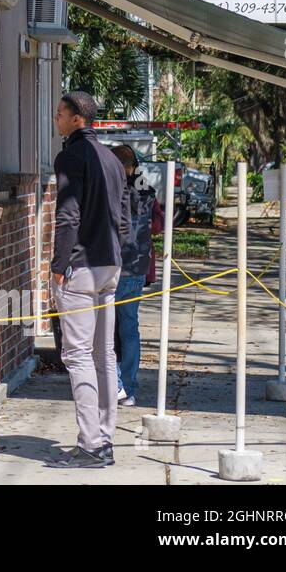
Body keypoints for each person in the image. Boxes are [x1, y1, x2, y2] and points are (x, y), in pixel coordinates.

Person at [45, 91, 130, 469]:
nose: (55, 118)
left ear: (78, 118)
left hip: (79, 266)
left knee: (78, 356)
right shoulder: (112, 159)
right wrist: (116, 252)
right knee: (104, 355)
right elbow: (124, 218)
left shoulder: (71, 156)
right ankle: (105, 437)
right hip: (110, 264)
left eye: (60, 113)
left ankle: (91, 444)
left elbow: (67, 215)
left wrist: (58, 265)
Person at [109, 145, 163, 407]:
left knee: (106, 330)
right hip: (138, 268)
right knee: (130, 328)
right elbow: (159, 225)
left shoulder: (112, 190)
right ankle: (128, 388)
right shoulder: (147, 192)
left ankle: (115, 385)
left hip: (114, 267)